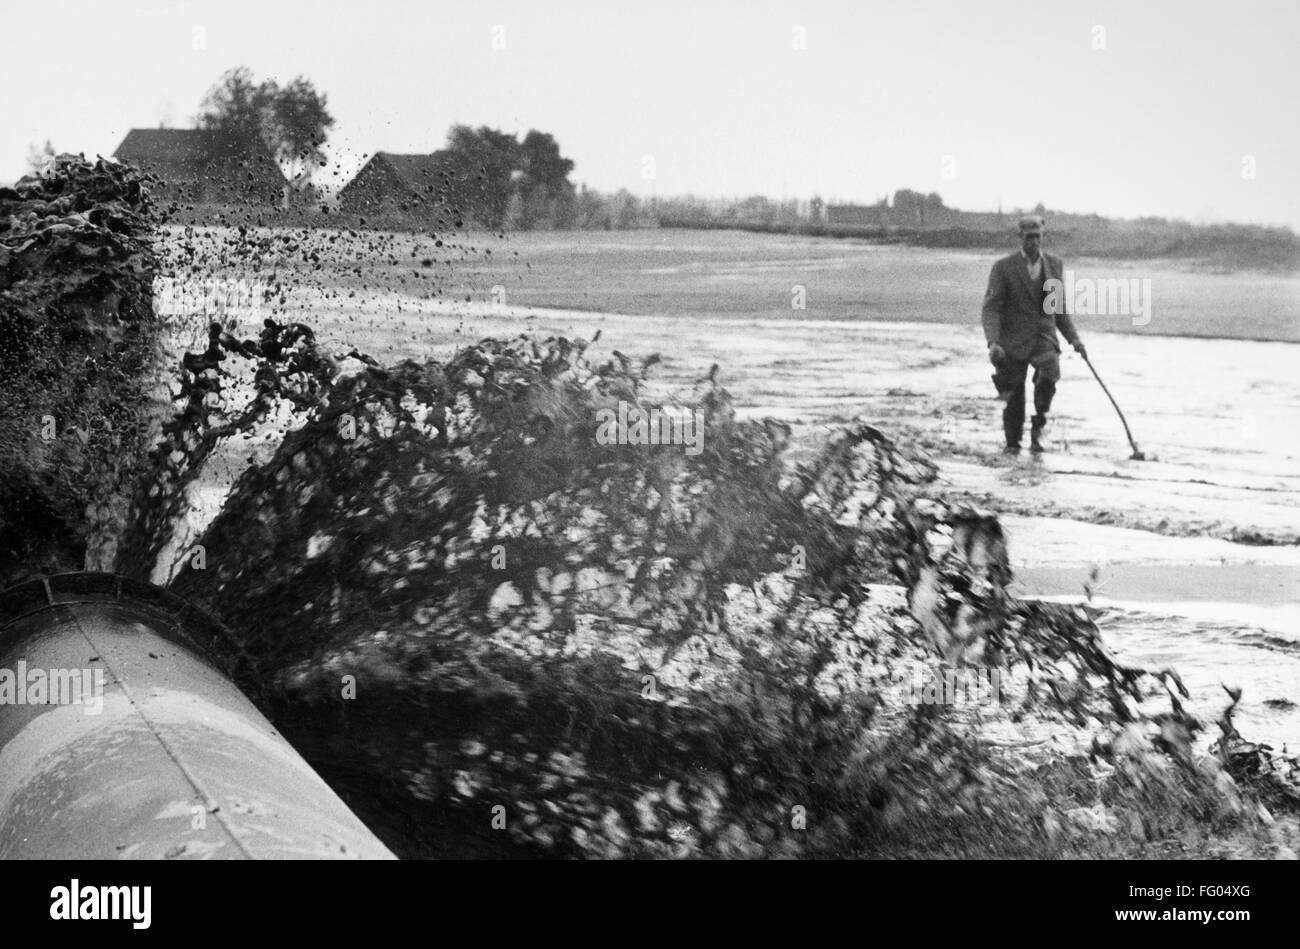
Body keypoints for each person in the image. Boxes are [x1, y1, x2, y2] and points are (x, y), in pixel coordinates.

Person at [980, 215, 1086, 455]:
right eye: (1029, 237)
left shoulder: (1054, 266)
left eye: (1037, 237)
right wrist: (993, 342)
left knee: (1048, 377)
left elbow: (1057, 310)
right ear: (1020, 237)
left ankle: (1038, 429)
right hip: (1012, 342)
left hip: (1043, 340)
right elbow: (992, 308)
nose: (1033, 242)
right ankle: (1013, 446)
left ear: (1043, 237)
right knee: (1014, 399)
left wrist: (1075, 339)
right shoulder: (1003, 268)